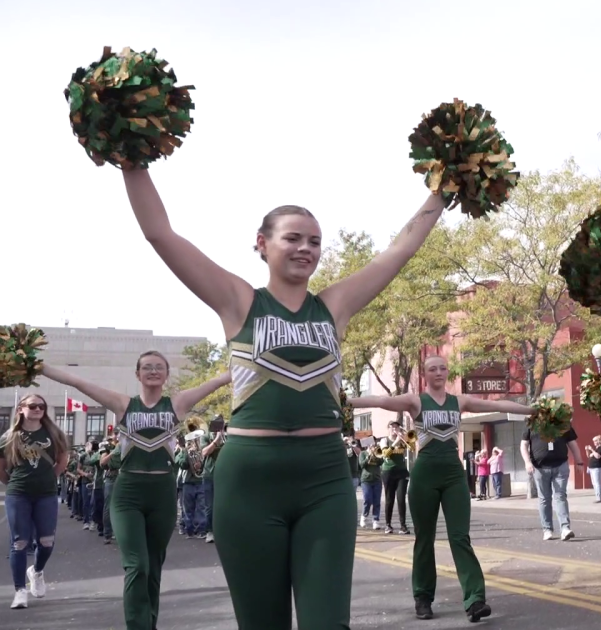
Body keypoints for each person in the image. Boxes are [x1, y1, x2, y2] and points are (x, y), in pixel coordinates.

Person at [122, 165, 447, 629]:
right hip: (249, 480)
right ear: (262, 243)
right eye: (293, 238)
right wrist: (132, 160)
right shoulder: (238, 301)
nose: (306, 249)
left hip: (325, 479)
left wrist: (444, 189)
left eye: (315, 241)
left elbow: (400, 249)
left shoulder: (335, 305)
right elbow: (160, 234)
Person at [40, 358, 229, 630]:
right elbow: (77, 381)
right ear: (137, 373)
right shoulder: (123, 404)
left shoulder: (176, 404)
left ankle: (148, 624)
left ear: (166, 374)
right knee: (136, 565)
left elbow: (220, 380)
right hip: (128, 493)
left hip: (163, 493)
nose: (153, 371)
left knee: (153, 567)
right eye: (147, 367)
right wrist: (37, 366)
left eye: (159, 367)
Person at [349, 355, 533, 622]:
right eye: (432, 369)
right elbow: (379, 401)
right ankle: (422, 597)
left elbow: (497, 403)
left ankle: (475, 600)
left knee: (460, 536)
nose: (438, 372)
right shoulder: (415, 401)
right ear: (425, 374)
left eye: (442, 368)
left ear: (447, 372)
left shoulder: (459, 401)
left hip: (453, 475)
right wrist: (345, 402)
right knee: (424, 538)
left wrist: (532, 410)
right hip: (424, 474)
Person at [1, 394, 69, 610]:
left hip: (46, 494)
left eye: (42, 406)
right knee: (19, 542)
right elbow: (1, 468)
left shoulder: (54, 433)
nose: (38, 409)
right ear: (21, 409)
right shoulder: (9, 437)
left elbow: (62, 461)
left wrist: (48, 479)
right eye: (33, 406)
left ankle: (37, 571)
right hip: (18, 494)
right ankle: (20, 590)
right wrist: (13, 484)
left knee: (47, 541)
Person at [521, 413, 587, 544]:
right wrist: (527, 462)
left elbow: (572, 443)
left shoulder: (563, 424)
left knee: (560, 496)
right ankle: (547, 529)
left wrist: (579, 462)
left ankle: (565, 528)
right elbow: (523, 445)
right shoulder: (532, 424)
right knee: (544, 499)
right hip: (539, 467)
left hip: (560, 465)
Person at [381, 420, 411, 535]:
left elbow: (413, 446)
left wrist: (406, 435)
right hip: (388, 471)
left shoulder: (403, 440)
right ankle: (388, 525)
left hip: (401, 472)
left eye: (396, 427)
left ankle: (403, 526)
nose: (394, 429)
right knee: (389, 499)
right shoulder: (385, 440)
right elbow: (385, 454)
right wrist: (395, 443)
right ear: (388, 428)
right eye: (392, 427)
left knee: (401, 498)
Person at [359, 441, 384, 530]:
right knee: (367, 499)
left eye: (374, 444)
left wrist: (376, 454)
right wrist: (369, 455)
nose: (373, 446)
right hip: (366, 480)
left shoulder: (377, 452)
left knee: (377, 501)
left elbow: (381, 461)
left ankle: (376, 520)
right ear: (368, 445)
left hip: (377, 479)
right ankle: (363, 517)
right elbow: (362, 465)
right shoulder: (362, 453)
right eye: (371, 445)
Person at [584, 436, 601, 503]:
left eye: (595, 441)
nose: (594, 442)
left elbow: (598, 456)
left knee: (597, 483)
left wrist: (591, 449)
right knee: (594, 483)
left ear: (599, 441)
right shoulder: (596, 449)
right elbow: (589, 456)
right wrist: (587, 450)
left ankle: (599, 498)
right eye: (594, 441)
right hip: (592, 468)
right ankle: (597, 497)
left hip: (597, 467)